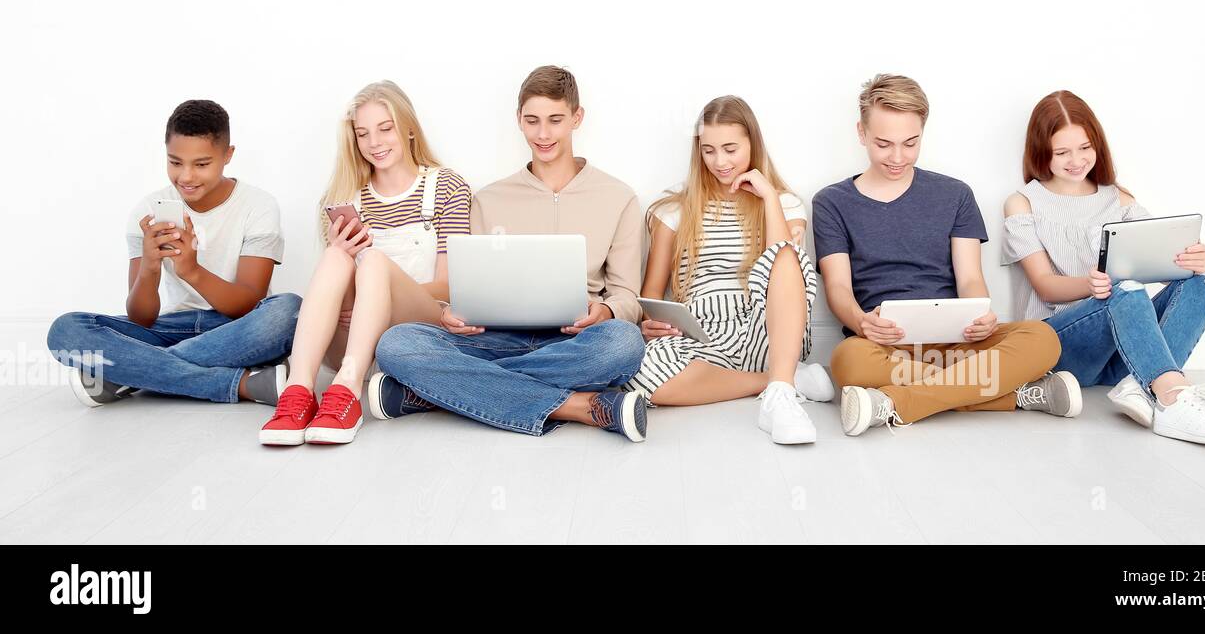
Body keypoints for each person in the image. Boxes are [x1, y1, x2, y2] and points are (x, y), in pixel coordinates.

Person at [369, 66, 648, 440]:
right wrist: (448, 314)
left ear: (577, 118)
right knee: (397, 343)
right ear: (519, 120)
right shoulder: (489, 199)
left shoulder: (619, 197)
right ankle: (580, 406)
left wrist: (607, 311)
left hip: (573, 342)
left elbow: (627, 295)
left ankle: (437, 394)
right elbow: (463, 288)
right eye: (532, 121)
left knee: (624, 343)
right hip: (493, 339)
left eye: (555, 120)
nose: (543, 134)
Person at [815, 74, 1077, 437]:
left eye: (910, 143)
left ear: (923, 132)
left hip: (959, 339)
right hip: (883, 345)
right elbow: (838, 288)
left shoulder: (955, 194)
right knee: (848, 361)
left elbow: (970, 278)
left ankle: (893, 403)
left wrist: (980, 314)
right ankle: (1013, 395)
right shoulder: (831, 203)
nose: (897, 157)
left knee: (1043, 339)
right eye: (883, 144)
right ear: (861, 133)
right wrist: (861, 322)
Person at [1003, 89, 1205, 445]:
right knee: (1123, 288)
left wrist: (1192, 260)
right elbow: (1045, 285)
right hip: (1059, 347)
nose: (1076, 160)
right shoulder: (1023, 203)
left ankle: (1140, 384)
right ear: (1042, 152)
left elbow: (1159, 259)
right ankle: (1171, 397)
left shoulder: (1119, 199)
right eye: (1062, 152)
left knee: (1203, 283)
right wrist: (1092, 286)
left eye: (1085, 148)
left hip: (1122, 352)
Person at [47, 100, 300, 408]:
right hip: (170, 328)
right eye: (175, 162)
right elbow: (141, 317)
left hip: (234, 331)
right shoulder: (148, 210)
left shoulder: (258, 206)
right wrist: (150, 268)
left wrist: (191, 271)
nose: (187, 176)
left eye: (201, 164)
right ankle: (242, 383)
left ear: (227, 155)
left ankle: (126, 374)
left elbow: (247, 304)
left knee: (289, 312)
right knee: (66, 331)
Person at [260, 80, 471, 446]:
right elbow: (334, 295)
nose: (375, 142)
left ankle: (346, 392)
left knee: (371, 262)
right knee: (336, 255)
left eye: (385, 129)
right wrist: (349, 288)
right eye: (363, 133)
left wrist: (377, 294)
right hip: (350, 338)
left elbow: (452, 285)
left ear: (407, 128)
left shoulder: (447, 187)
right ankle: (299, 391)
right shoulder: (343, 197)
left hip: (419, 328)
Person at [627, 95, 831, 445]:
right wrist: (648, 323)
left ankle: (779, 394)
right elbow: (651, 294)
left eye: (731, 149)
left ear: (753, 143)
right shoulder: (674, 208)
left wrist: (768, 198)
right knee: (638, 375)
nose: (719, 161)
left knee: (787, 253)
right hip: (699, 334)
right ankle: (784, 381)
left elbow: (787, 269)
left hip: (765, 328)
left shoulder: (784, 203)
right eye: (709, 151)